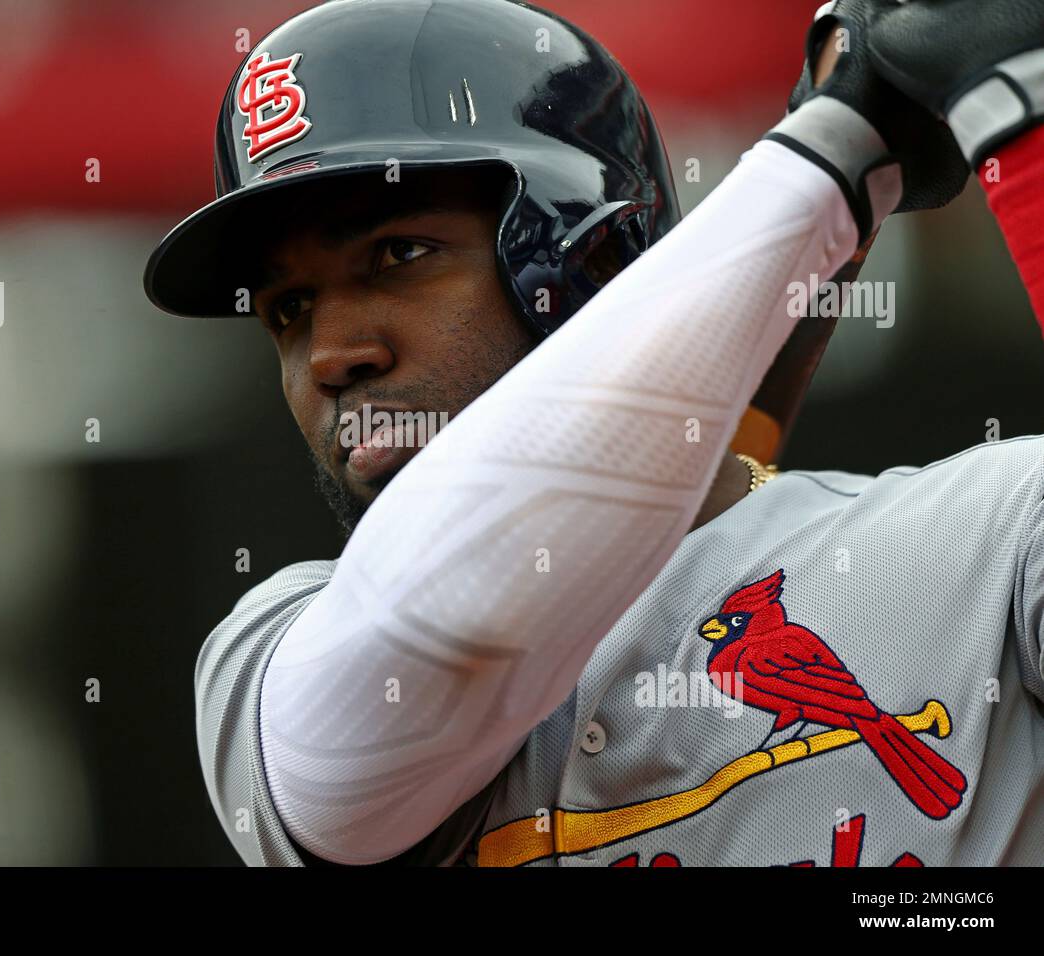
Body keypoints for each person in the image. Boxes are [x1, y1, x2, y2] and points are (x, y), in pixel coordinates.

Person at [146, 0, 1044, 865]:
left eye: (397, 255)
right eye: (289, 308)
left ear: (590, 257)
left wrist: (1023, 145)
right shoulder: (267, 656)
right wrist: (835, 155)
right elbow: (431, 631)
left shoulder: (987, 541)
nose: (330, 354)